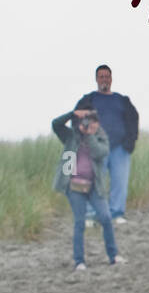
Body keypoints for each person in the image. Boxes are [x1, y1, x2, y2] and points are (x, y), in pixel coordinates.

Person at [52, 107, 124, 272]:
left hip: (94, 186)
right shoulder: (71, 137)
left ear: (97, 124)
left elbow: (100, 153)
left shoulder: (101, 136)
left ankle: (113, 256)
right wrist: (72, 114)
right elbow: (55, 125)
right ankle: (79, 261)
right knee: (79, 222)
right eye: (86, 122)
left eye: (92, 123)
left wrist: (90, 135)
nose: (88, 126)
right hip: (73, 186)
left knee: (106, 217)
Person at [74, 65, 139, 223]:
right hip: (95, 148)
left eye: (107, 76)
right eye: (101, 76)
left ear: (111, 79)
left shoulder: (122, 100)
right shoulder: (88, 100)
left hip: (120, 149)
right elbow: (76, 119)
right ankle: (90, 215)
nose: (104, 79)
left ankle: (116, 214)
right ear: (96, 79)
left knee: (120, 183)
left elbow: (133, 119)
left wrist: (130, 142)